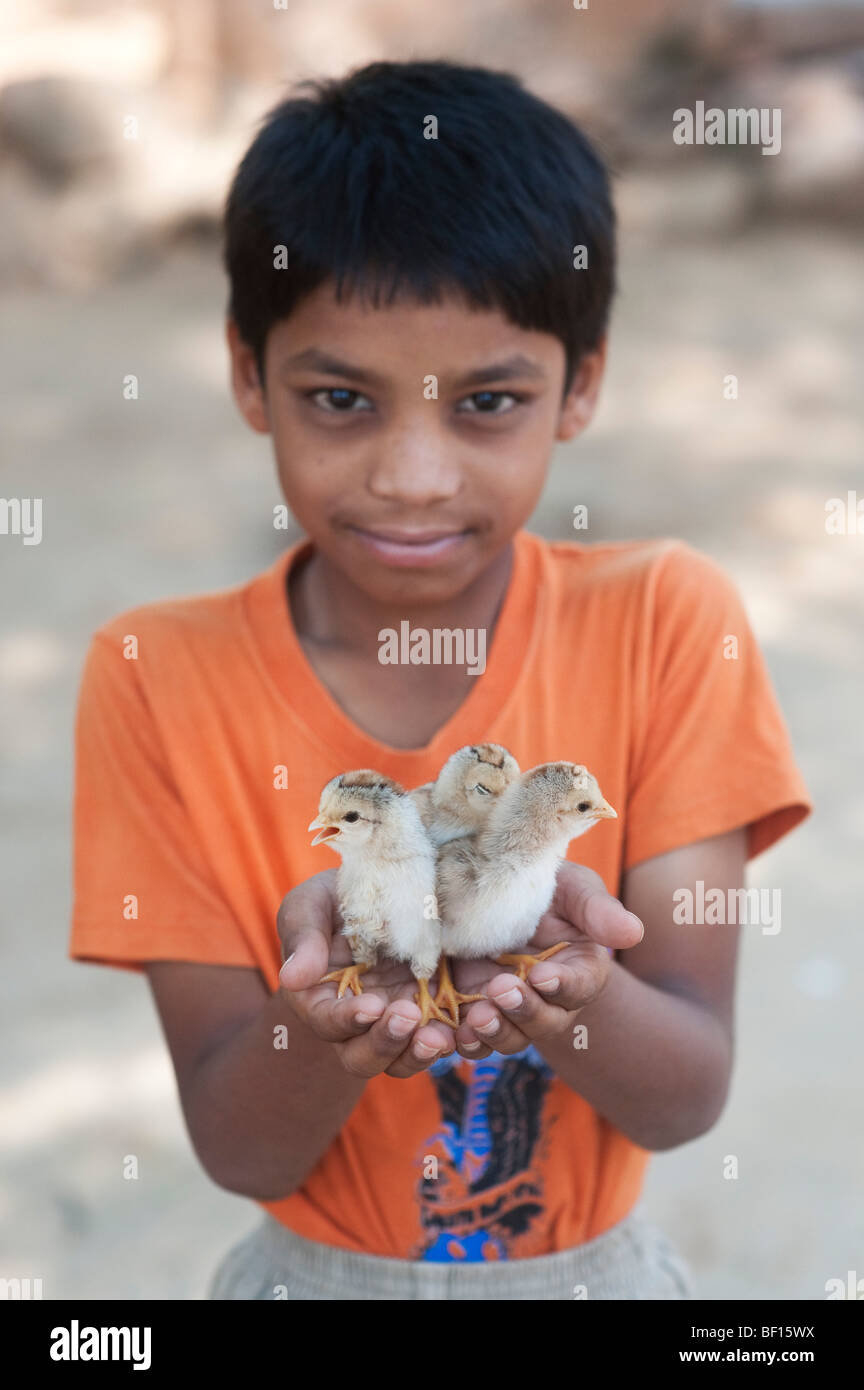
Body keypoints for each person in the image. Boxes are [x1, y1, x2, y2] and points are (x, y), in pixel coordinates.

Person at [69, 60, 811, 1300]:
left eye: (487, 402)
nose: (413, 476)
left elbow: (685, 1089)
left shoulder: (668, 622)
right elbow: (239, 1139)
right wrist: (326, 1017)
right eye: (342, 398)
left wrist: (561, 990)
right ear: (250, 375)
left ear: (581, 385)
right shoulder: (154, 676)